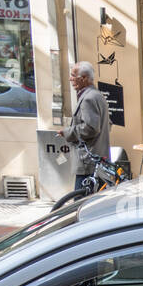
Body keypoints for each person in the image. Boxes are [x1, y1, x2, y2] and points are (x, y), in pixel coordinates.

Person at [60, 61, 110, 191]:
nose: (70, 79)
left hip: (88, 160)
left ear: (84, 78)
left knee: (80, 202)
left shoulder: (88, 98)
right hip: (96, 159)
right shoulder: (97, 95)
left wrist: (68, 132)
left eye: (73, 75)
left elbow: (91, 128)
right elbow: (107, 124)